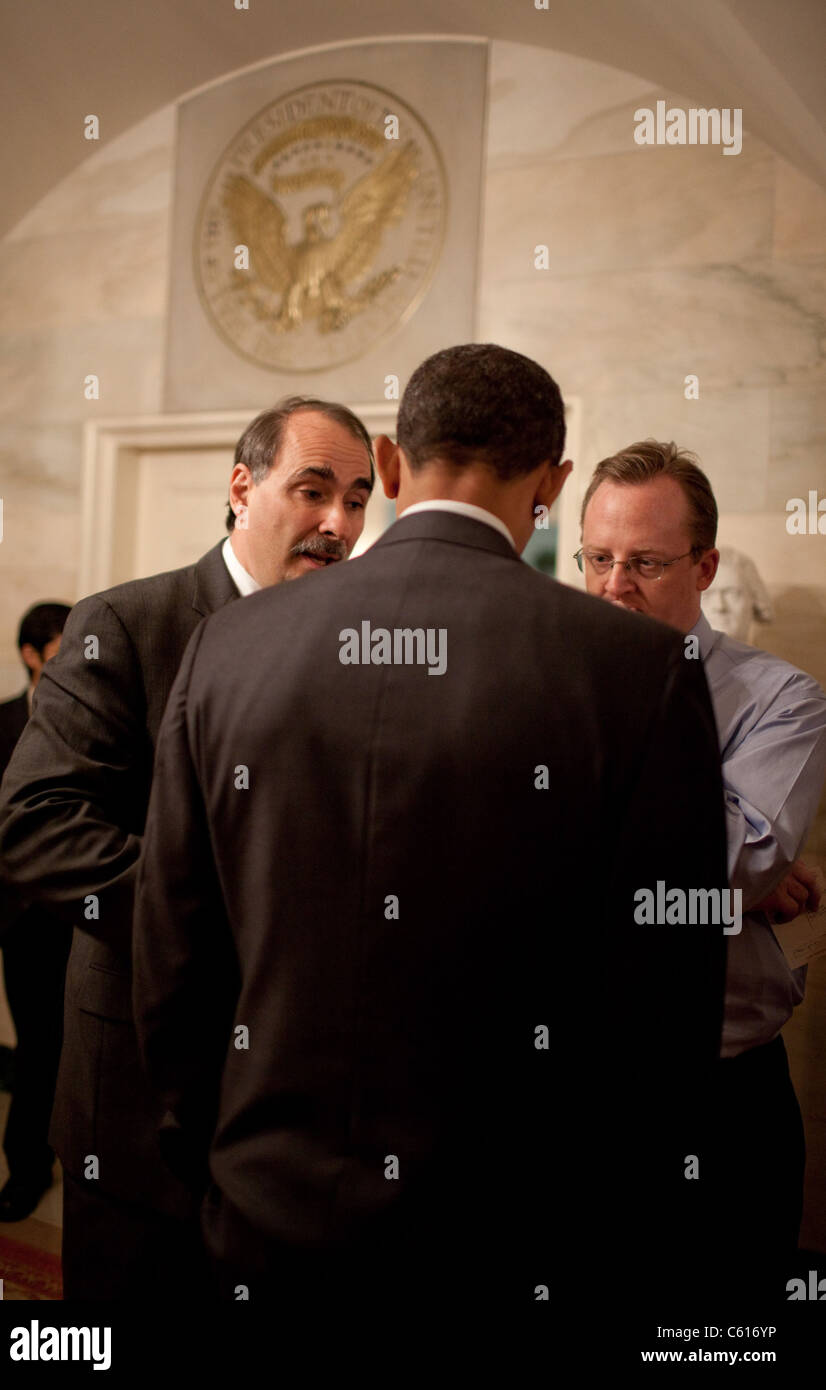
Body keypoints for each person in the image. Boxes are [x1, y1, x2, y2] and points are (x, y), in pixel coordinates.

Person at [133, 345, 728, 1315]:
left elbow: (172, 950)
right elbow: (660, 1005)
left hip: (260, 1215)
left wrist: (211, 1156)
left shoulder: (229, 644)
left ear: (391, 462)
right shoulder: (637, 669)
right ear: (553, 482)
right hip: (506, 1239)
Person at [0, 397, 374, 1298]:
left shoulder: (354, 645)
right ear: (242, 487)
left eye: (358, 499)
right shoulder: (124, 624)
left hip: (297, 1105)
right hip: (138, 1095)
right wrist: (233, 912)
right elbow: (35, 828)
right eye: (313, 490)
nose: (339, 524)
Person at [578, 439, 826, 1301]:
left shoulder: (779, 698)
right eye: (598, 559)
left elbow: (740, 863)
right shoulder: (543, 685)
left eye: (644, 562)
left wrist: (744, 887)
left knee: (717, 1349)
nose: (614, 585)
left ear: (705, 565)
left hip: (720, 1101)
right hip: (570, 1101)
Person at [0, 603, 72, 1222]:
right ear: (31, 655)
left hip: (91, 918)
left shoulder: (104, 722)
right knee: (35, 1047)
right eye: (61, 647)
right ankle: (26, 1170)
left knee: (88, 1047)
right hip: (24, 924)